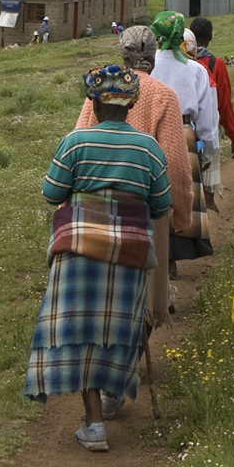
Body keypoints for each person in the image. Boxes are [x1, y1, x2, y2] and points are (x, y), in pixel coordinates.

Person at [30, 65, 172, 452]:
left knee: (82, 334)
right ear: (132, 103)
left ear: (93, 101)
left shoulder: (76, 142)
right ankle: (113, 395)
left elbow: (50, 190)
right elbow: (162, 206)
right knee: (117, 329)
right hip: (129, 253)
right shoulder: (148, 148)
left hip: (78, 251)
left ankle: (94, 423)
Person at [76, 26, 191, 333]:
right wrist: (179, 214)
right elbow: (176, 165)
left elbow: (80, 138)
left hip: (96, 204)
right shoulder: (165, 95)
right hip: (144, 207)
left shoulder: (101, 93)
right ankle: (134, 354)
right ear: (153, 58)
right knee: (147, 289)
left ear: (123, 56)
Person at [149, 11, 220, 275]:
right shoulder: (196, 70)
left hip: (149, 130)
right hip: (183, 133)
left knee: (151, 193)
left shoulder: (147, 65)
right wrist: (208, 151)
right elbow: (207, 120)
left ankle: (153, 258)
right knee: (179, 193)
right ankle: (171, 258)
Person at [187, 18, 234, 185]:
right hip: (209, 129)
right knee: (208, 183)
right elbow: (224, 103)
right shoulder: (215, 64)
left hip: (183, 129)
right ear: (210, 38)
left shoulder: (182, 62)